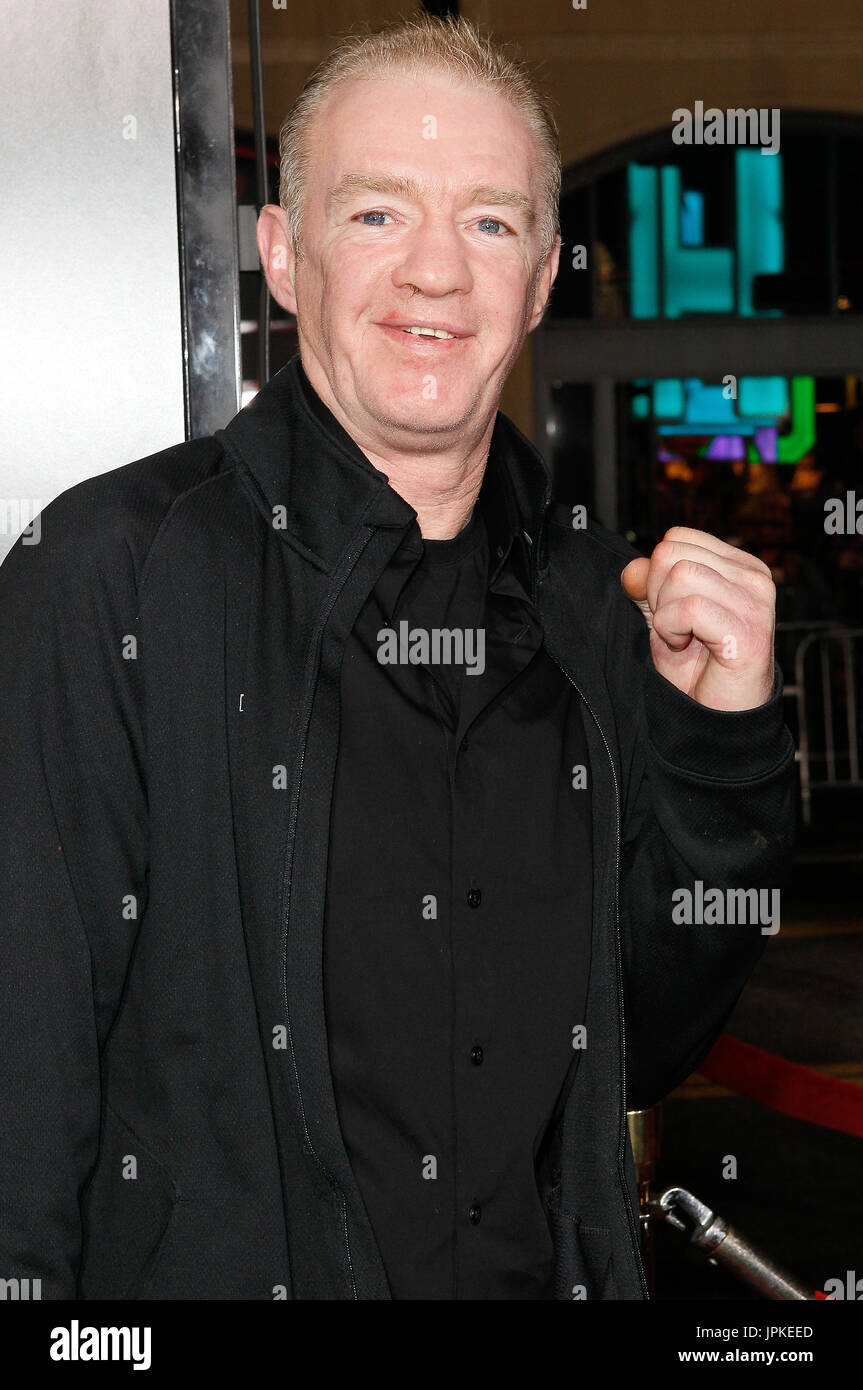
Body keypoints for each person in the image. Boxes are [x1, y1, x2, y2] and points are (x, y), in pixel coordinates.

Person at [0, 14, 795, 1301]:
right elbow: (19, 1087)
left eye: (488, 223)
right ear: (283, 256)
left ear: (538, 281)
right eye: (376, 215)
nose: (435, 273)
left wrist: (718, 745)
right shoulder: (108, 574)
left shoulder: (591, 603)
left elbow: (641, 1042)